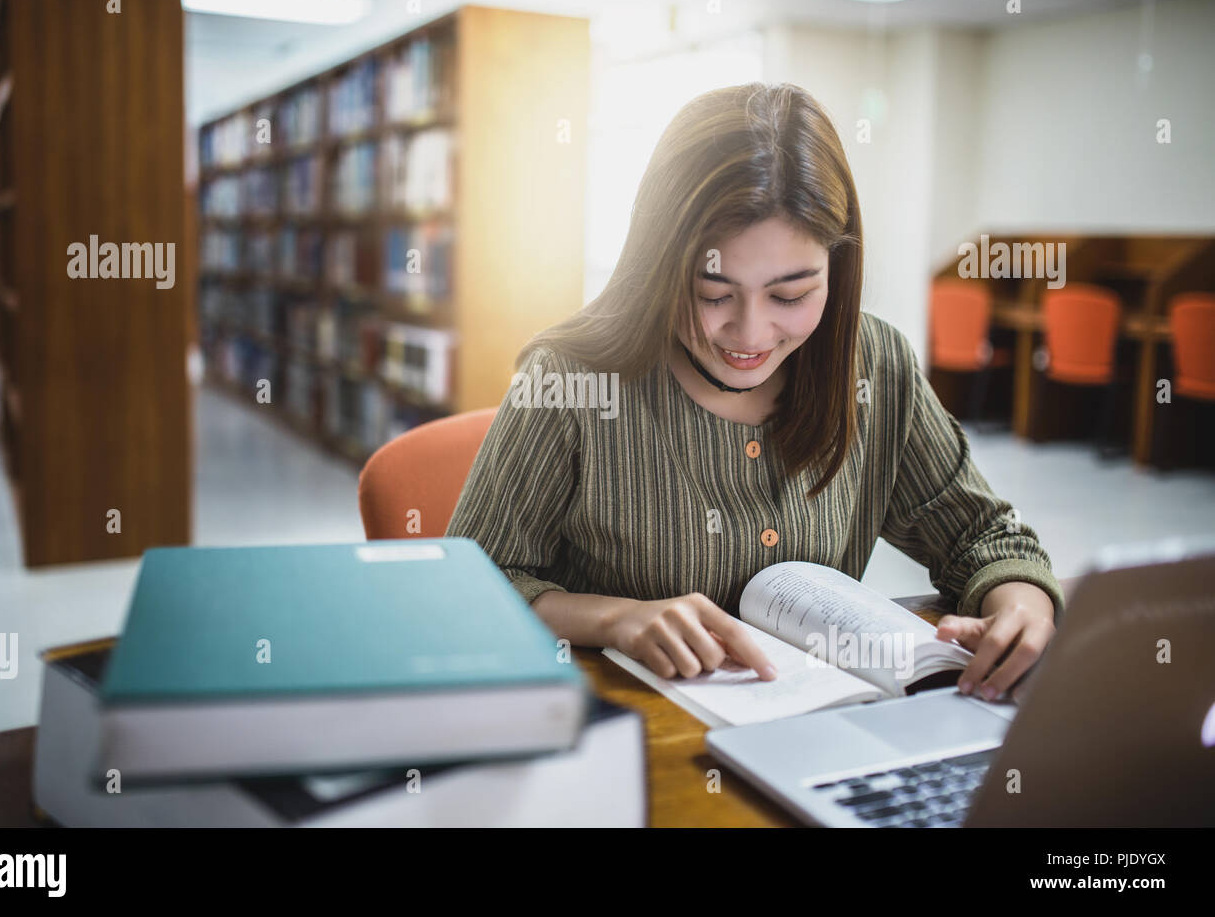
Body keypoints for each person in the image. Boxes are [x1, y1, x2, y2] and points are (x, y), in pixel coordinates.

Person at [446, 82, 1061, 703]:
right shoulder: (570, 376)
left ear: (836, 270)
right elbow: (467, 587)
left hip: (817, 727)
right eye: (713, 293)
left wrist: (1021, 607)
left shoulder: (875, 364)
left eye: (792, 295)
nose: (750, 334)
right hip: (629, 734)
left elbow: (983, 537)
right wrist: (613, 619)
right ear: (656, 265)